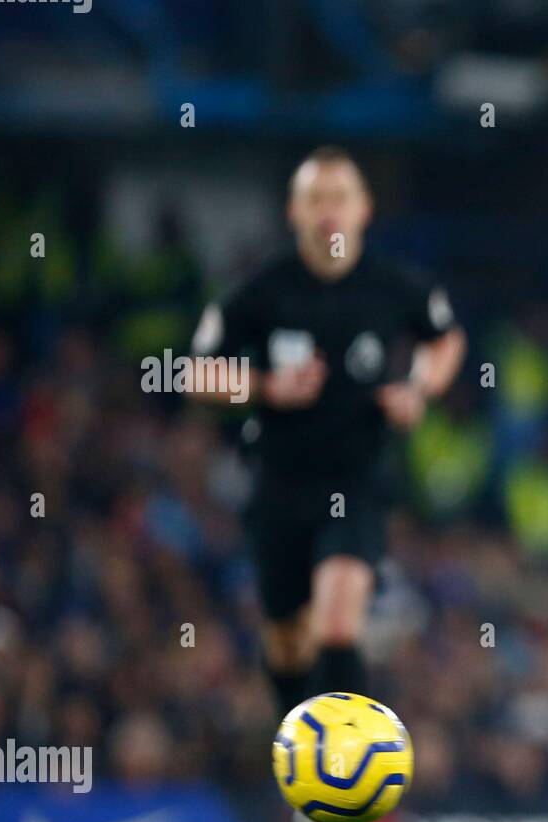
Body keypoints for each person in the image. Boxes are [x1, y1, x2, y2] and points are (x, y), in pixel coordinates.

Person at [190, 146, 466, 720]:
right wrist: (265, 387)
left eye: (339, 197)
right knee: (288, 641)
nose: (328, 211)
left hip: (357, 479)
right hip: (280, 482)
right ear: (295, 211)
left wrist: (418, 388)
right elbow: (196, 371)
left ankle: (340, 764)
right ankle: (296, 751)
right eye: (316, 199)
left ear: (363, 209)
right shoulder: (261, 289)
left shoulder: (396, 285)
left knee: (338, 624)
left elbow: (446, 339)